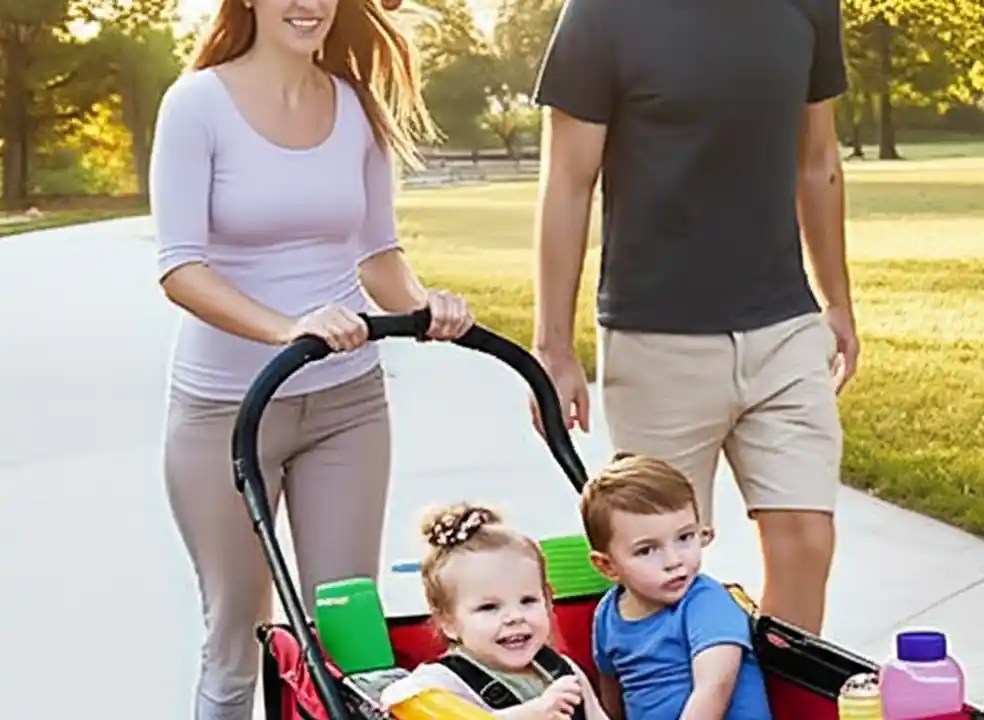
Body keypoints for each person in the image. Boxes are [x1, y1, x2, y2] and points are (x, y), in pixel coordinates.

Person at [149, 1, 474, 718]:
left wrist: (427, 305)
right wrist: (286, 328)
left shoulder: (355, 105)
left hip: (348, 405)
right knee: (238, 636)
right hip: (227, 412)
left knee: (349, 636)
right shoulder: (197, 104)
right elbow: (180, 268)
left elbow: (377, 253)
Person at [529, 0, 859, 636]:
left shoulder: (809, 8)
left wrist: (836, 300)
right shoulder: (601, 14)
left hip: (784, 329)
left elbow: (817, 161)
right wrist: (553, 346)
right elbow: (567, 182)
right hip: (656, 340)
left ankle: (770, 702)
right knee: (652, 574)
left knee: (807, 540)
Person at [581, 453, 771, 720]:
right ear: (607, 566)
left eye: (685, 537)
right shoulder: (607, 616)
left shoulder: (707, 603)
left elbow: (713, 688)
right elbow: (611, 691)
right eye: (647, 550)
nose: (674, 561)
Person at [384, 503, 610, 720]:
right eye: (489, 607)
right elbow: (395, 699)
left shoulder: (565, 672)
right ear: (448, 622)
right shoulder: (442, 681)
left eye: (527, 600)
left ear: (548, 601)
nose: (514, 617)